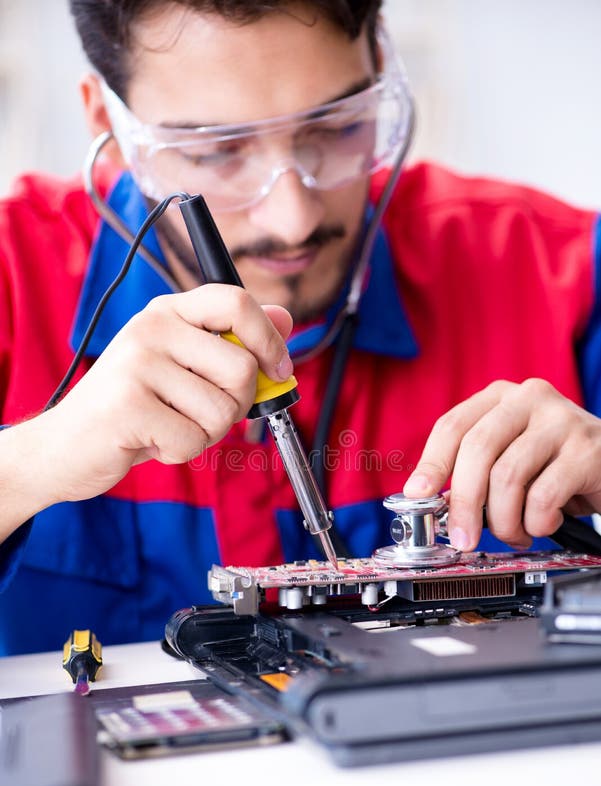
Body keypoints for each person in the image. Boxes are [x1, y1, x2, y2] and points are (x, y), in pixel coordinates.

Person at [0, 0, 600, 655]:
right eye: (216, 150)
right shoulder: (12, 277)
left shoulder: (563, 273)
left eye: (335, 126)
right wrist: (31, 466)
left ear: (380, 65)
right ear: (109, 129)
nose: (291, 220)